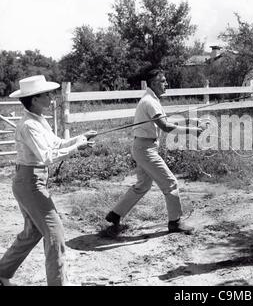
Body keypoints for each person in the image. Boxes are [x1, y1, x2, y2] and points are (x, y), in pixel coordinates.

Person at [0, 75, 97, 286]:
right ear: (34, 99)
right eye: (46, 94)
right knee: (55, 235)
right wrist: (77, 148)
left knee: (33, 232)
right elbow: (47, 157)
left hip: (32, 181)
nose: (51, 97)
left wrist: (80, 139)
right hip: (30, 182)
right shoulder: (28, 126)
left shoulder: (38, 120)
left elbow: (57, 144)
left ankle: (2, 272)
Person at [104, 69, 206, 236]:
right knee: (170, 183)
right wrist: (193, 130)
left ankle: (114, 215)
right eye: (163, 81)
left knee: (142, 185)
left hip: (143, 147)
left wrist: (192, 120)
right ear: (153, 83)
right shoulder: (150, 102)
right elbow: (165, 127)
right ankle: (175, 222)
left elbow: (164, 121)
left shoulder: (152, 100)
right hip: (145, 149)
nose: (166, 84)